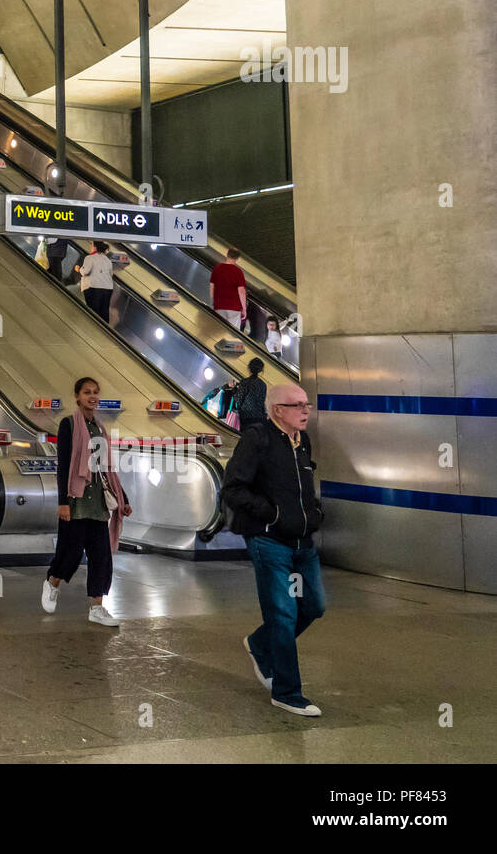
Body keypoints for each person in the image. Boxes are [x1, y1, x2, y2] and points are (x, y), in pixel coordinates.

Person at [221, 382, 326, 717]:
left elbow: (304, 487)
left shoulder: (302, 441)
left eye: (306, 404)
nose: (305, 410)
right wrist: (273, 514)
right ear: (277, 410)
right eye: (297, 405)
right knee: (282, 615)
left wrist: (314, 513)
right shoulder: (257, 439)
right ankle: (287, 692)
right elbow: (233, 489)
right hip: (269, 542)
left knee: (313, 606)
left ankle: (258, 644)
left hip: (302, 542)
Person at [41, 377, 131, 626]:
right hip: (77, 500)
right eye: (87, 392)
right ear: (77, 397)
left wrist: (123, 497)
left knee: (101, 556)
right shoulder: (68, 425)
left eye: (95, 392)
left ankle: (96, 608)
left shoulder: (100, 429)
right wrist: (63, 502)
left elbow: (106, 468)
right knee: (70, 554)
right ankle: (52, 582)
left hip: (97, 503)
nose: (92, 396)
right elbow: (65, 466)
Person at [210, 247, 248, 331]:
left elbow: (212, 288)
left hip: (219, 306)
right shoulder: (238, 272)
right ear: (237, 259)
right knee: (232, 333)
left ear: (227, 255)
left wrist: (214, 302)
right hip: (234, 307)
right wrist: (244, 309)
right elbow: (241, 292)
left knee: (218, 330)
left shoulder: (217, 269)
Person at [77, 241, 115, 321]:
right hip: (107, 289)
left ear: (95, 247)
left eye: (91, 245)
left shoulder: (89, 258)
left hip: (93, 288)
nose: (90, 247)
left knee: (94, 313)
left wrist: (79, 269)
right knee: (104, 313)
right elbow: (111, 274)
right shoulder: (108, 260)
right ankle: (105, 330)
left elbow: (85, 272)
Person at [235, 358, 268, 434]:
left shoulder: (245, 382)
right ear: (260, 370)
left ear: (249, 369)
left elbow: (239, 401)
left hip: (246, 418)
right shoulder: (263, 385)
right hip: (260, 419)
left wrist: (234, 390)